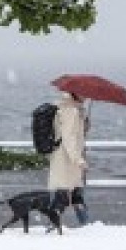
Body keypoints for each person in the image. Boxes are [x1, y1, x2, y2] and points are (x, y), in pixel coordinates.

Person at [49, 91, 90, 226]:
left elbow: (69, 133)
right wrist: (78, 159)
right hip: (67, 159)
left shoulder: (68, 109)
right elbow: (68, 138)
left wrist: (84, 122)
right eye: (83, 94)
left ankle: (83, 224)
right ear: (75, 94)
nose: (86, 96)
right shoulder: (70, 111)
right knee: (67, 195)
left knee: (71, 194)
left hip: (64, 158)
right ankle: (83, 226)